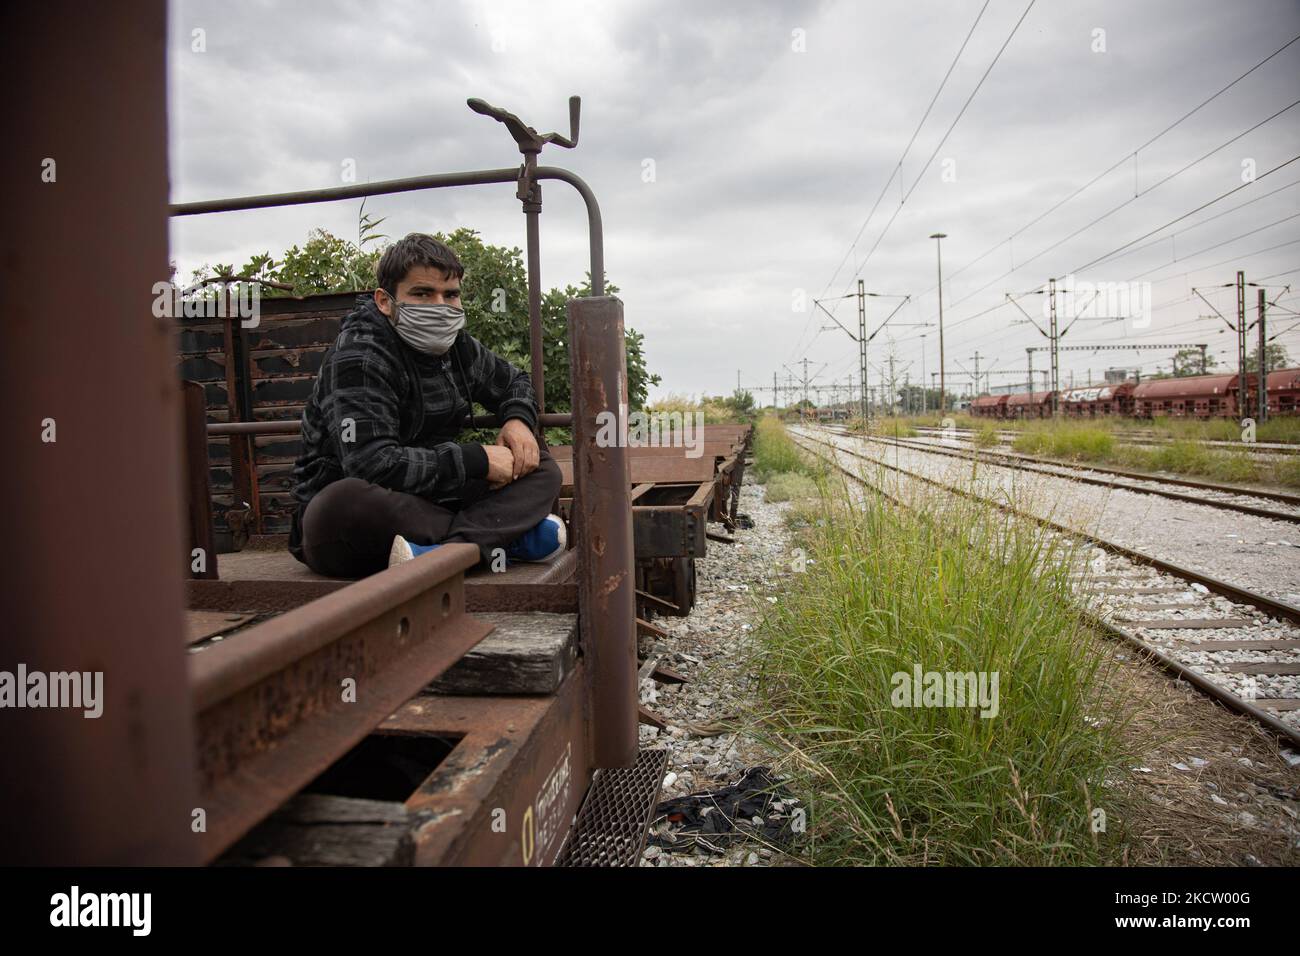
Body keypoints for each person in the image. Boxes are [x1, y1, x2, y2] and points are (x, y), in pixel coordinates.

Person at [287, 232, 564, 578]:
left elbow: (514, 381)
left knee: (539, 463)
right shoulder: (359, 355)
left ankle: (442, 553)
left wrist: (518, 420)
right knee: (342, 503)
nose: (439, 306)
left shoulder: (458, 347)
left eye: (450, 295)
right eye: (422, 293)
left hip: (431, 498)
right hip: (367, 512)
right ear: (385, 301)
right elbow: (371, 464)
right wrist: (476, 460)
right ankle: (498, 540)